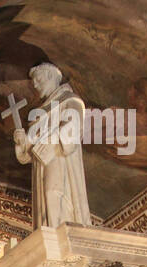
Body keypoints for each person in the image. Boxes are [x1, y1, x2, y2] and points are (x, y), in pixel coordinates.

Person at [14, 63, 91, 228]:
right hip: (41, 163)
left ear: (50, 76)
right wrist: (23, 142)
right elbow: (30, 149)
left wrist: (53, 138)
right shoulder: (40, 112)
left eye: (38, 80)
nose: (35, 85)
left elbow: (74, 124)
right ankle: (49, 230)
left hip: (58, 156)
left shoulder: (69, 100)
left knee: (54, 192)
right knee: (43, 199)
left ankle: (62, 228)